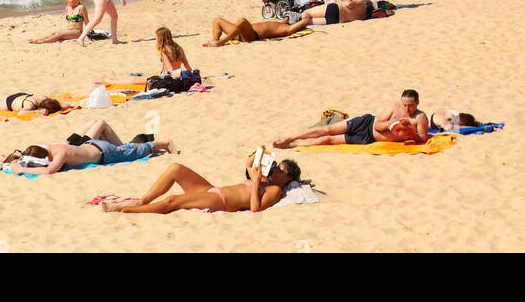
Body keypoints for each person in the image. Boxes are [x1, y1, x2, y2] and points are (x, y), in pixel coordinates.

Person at [103, 152, 303, 214]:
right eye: (276, 166)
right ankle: (142, 200)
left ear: (289, 179)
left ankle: (124, 210)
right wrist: (259, 155)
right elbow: (249, 163)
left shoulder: (275, 189)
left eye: (280, 170)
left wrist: (257, 180)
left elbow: (255, 209)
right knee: (175, 168)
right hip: (211, 190)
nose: (275, 169)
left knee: (172, 201)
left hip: (221, 201)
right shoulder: (265, 180)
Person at [1, 120, 174, 175]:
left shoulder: (60, 153)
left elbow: (48, 171)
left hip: (104, 152)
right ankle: (148, 142)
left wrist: (17, 168)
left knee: (135, 153)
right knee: (128, 148)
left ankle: (162, 143)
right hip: (93, 145)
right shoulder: (52, 147)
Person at [275, 90, 427, 148]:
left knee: (328, 140)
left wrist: (409, 133)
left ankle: (293, 145)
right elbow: (378, 125)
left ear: (417, 103)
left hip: (369, 139)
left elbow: (423, 139)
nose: (407, 109)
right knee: (327, 129)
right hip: (366, 123)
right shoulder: (395, 107)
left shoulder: (420, 118)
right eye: (405, 104)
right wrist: (392, 124)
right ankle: (289, 137)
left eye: (411, 105)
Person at [203, 14, 312, 44]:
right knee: (218, 20)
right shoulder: (282, 23)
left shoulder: (287, 28)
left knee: (242, 20)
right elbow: (283, 21)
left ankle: (222, 42)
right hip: (239, 32)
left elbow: (305, 21)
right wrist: (285, 19)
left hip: (251, 34)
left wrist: (305, 17)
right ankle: (216, 40)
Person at [302, 0, 374, 25]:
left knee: (306, 13)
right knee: (307, 22)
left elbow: (348, 4)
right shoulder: (363, 17)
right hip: (336, 20)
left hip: (336, 9)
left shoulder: (361, 2)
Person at [0, 92, 65, 115]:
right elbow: (21, 113)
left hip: (21, 95)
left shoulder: (43, 98)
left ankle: (3, 96)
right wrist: (38, 112)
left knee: (5, 99)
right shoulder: (30, 105)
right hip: (10, 103)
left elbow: (62, 104)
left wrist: (60, 109)